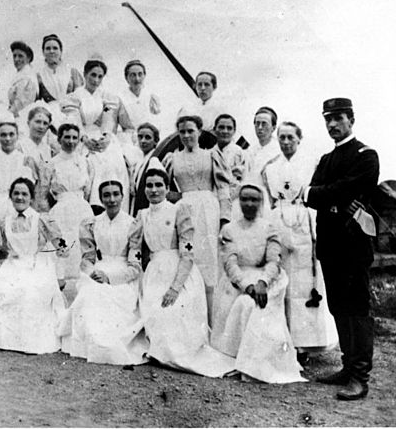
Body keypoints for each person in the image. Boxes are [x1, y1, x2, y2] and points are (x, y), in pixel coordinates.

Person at [304, 97, 379, 401]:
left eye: (338, 118)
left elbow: (339, 189)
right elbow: (313, 195)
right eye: (328, 120)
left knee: (357, 308)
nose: (333, 125)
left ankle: (360, 377)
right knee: (338, 306)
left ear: (351, 120)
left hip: (353, 243)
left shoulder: (366, 155)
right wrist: (328, 197)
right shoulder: (325, 159)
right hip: (330, 244)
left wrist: (324, 195)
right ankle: (348, 368)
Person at [130, 160, 234, 377]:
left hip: (180, 273)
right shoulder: (142, 215)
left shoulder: (179, 210)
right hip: (153, 276)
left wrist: (175, 287)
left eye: (159, 185)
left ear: (167, 188)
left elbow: (187, 253)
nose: (154, 190)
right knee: (153, 315)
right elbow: (136, 250)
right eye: (149, 186)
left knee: (175, 314)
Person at [211, 183, 305, 384]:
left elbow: (273, 261)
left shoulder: (269, 228)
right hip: (238, 280)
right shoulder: (229, 229)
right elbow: (230, 263)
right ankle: (236, 355)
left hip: (265, 277)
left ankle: (261, 359)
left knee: (257, 307)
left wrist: (262, 282)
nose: (249, 203)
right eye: (244, 199)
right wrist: (247, 286)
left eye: (254, 199)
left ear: (261, 203)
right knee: (243, 302)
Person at [262, 121, 338, 361]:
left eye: (290, 138)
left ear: (299, 139)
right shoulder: (271, 167)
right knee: (282, 280)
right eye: (281, 138)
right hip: (279, 218)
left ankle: (305, 345)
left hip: (304, 221)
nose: (285, 142)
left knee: (305, 284)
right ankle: (282, 339)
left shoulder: (312, 164)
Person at [60, 180, 148, 365]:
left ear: (123, 197)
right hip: (98, 270)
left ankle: (106, 347)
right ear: (100, 198)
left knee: (110, 296)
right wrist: (91, 272)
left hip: (123, 275)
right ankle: (91, 345)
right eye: (106, 195)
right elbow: (87, 257)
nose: (112, 199)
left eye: (116, 194)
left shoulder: (133, 224)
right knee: (90, 293)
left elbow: (135, 265)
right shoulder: (92, 223)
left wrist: (111, 278)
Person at [0, 178, 68, 354]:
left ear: (31, 198)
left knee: (30, 293)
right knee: (6, 292)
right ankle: (12, 342)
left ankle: (31, 342)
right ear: (10, 196)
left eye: (24, 194)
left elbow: (62, 248)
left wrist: (60, 275)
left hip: (37, 265)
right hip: (13, 266)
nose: (20, 197)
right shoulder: (4, 222)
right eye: (16, 193)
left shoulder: (41, 220)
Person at [162, 115, 231, 312]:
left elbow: (224, 189)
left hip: (209, 211)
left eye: (190, 131)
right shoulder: (172, 158)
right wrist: (179, 197)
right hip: (185, 211)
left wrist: (225, 220)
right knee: (187, 257)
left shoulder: (211, 155)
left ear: (199, 132)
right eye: (182, 132)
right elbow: (163, 189)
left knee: (210, 261)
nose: (186, 135)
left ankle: (213, 319)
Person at [72, 57, 133, 214]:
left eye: (100, 76)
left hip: (102, 137)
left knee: (114, 163)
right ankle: (94, 208)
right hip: (83, 136)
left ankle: (116, 208)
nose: (96, 80)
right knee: (92, 165)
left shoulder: (105, 96)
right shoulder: (76, 96)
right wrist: (84, 139)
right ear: (85, 75)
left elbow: (108, 118)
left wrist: (106, 137)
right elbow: (75, 120)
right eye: (93, 75)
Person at [47, 122, 94, 294]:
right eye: (67, 137)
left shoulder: (85, 162)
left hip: (82, 209)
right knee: (63, 252)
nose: (71, 141)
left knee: (82, 247)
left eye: (75, 137)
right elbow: (45, 193)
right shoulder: (52, 163)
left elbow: (87, 190)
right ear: (59, 139)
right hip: (61, 211)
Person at [0, 117, 42, 221]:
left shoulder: (26, 160)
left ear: (17, 136)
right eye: (3, 135)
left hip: (20, 206)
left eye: (11, 134)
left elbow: (35, 191)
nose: (8, 139)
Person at [117, 60, 163, 136]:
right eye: (133, 75)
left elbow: (158, 121)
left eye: (140, 74)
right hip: (128, 138)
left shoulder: (152, 97)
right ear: (126, 78)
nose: (137, 79)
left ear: (144, 75)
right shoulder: (119, 98)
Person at [36, 34, 83, 101]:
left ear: (61, 51)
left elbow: (80, 95)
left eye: (55, 48)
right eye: (48, 48)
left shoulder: (72, 72)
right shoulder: (39, 76)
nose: (51, 51)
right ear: (43, 52)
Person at [212, 114, 248, 199]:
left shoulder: (240, 153)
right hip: (212, 199)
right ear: (214, 130)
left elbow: (243, 180)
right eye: (221, 127)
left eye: (229, 128)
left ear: (234, 131)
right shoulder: (210, 154)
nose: (225, 131)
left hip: (233, 198)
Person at [129, 122, 160, 216]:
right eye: (140, 137)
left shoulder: (154, 160)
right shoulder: (140, 160)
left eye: (147, 137)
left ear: (155, 141)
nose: (143, 141)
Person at [6, 41, 39, 117]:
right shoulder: (20, 75)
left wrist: (6, 115)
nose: (16, 59)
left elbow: (20, 104)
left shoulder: (27, 77)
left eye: (20, 56)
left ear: (28, 58)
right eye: (14, 56)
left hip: (23, 116)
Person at [248, 106, 280, 181]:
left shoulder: (279, 152)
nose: (259, 127)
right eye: (257, 123)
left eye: (264, 124)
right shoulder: (250, 151)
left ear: (273, 127)